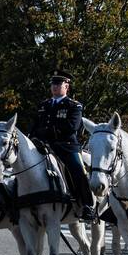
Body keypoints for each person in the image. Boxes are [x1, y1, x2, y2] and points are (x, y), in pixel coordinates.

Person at [31, 73, 94, 220]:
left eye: (58, 84)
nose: (54, 87)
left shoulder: (74, 106)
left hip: (66, 147)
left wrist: (46, 132)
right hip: (43, 146)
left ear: (66, 86)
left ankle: (87, 205)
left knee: (78, 170)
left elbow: (72, 127)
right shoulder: (44, 105)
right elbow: (34, 127)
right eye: (53, 84)